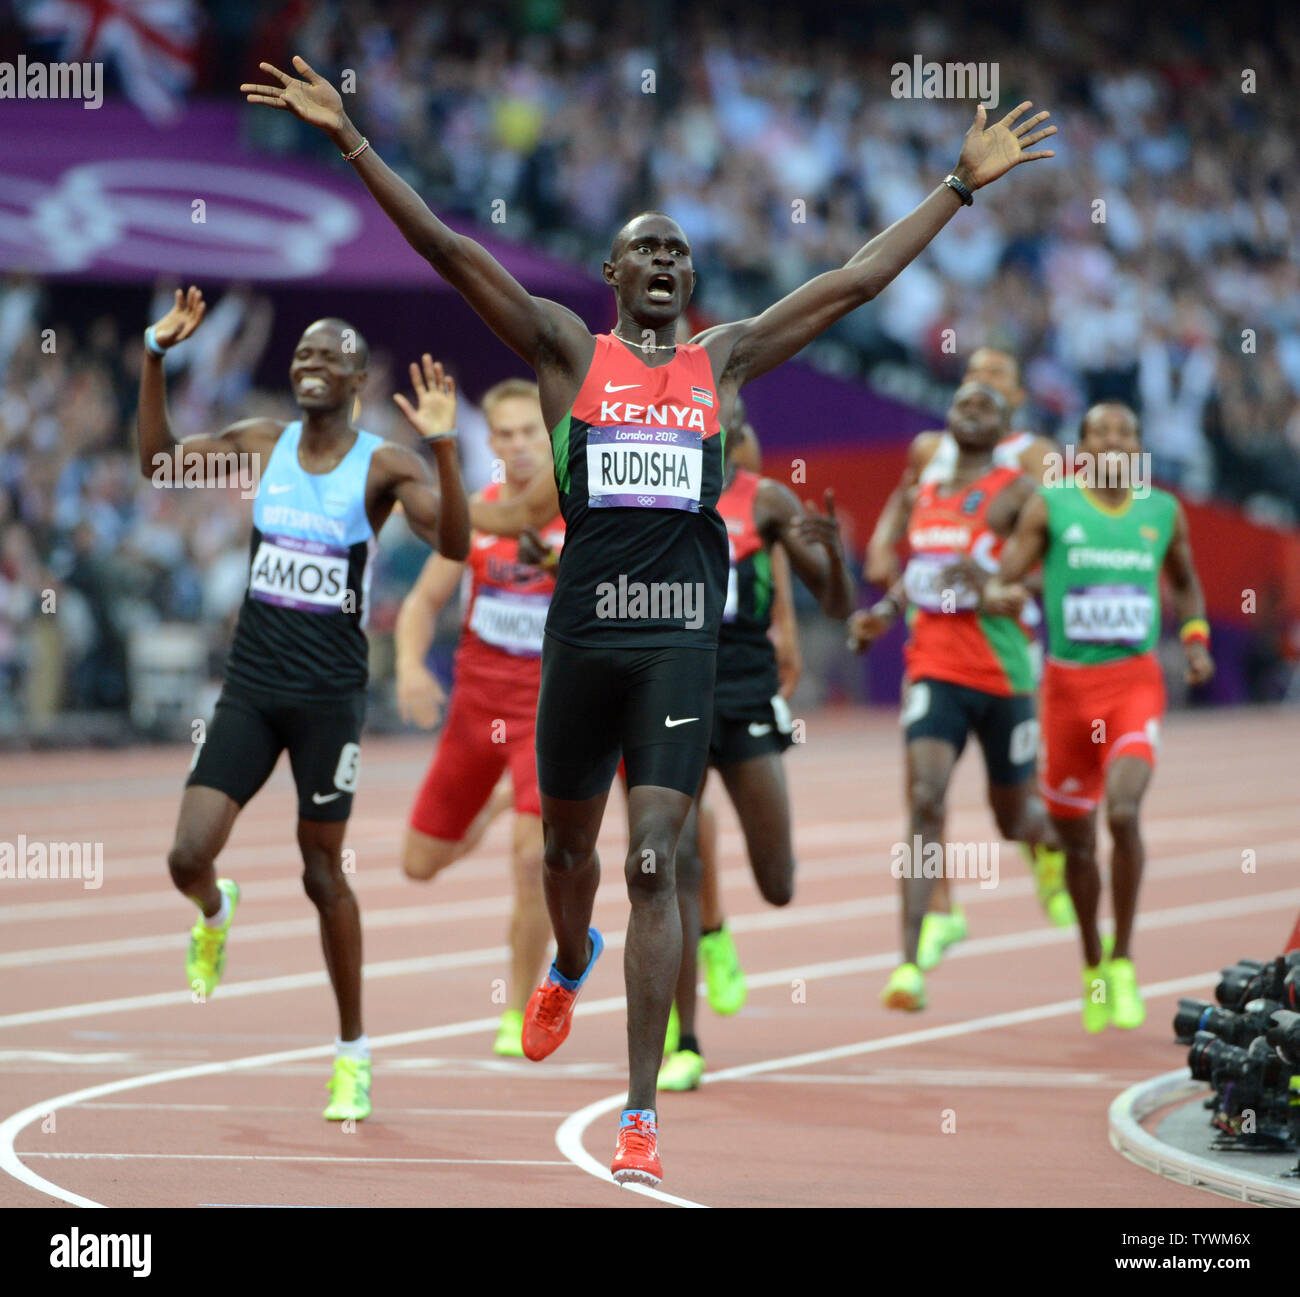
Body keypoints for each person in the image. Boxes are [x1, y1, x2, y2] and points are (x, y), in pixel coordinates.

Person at [243, 54, 1056, 1184]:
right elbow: (445, 247)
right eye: (648, 249)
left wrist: (957, 189)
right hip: (580, 645)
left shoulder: (724, 364)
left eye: (681, 250)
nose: (667, 262)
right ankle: (566, 961)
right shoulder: (569, 351)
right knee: (571, 859)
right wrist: (350, 139)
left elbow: (851, 282)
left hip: (679, 642)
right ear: (615, 272)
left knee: (651, 863)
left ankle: (639, 1113)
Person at [138, 296, 469, 1122]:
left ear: (356, 380)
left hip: (328, 700)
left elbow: (458, 542)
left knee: (323, 873)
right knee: (186, 854)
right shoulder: (262, 443)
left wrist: (444, 447)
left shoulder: (386, 467)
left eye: (332, 355)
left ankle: (352, 1051)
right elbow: (159, 465)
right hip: (252, 687)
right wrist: (153, 354)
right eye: (303, 354)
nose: (312, 363)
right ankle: (216, 911)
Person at [985, 401, 1213, 1032]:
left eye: (1126, 432)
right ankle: (1091, 962)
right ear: (1080, 447)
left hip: (1134, 686)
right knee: (1076, 841)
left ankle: (1122, 959)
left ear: (1140, 444)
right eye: (1101, 432)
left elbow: (1186, 582)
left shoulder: (1161, 510)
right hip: (1065, 692)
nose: (1115, 440)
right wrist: (1003, 593)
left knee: (1122, 810)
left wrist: (1194, 639)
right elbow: (1005, 577)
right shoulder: (1051, 505)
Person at [848, 383, 1062, 1011]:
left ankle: (1058, 848)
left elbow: (1035, 585)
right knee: (924, 799)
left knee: (1015, 817)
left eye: (986, 404)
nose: (970, 407)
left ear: (1005, 428)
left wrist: (996, 586)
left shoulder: (1020, 494)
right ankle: (908, 965)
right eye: (962, 400)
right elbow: (917, 578)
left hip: (1002, 674)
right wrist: (881, 615)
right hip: (935, 668)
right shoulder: (922, 494)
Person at [659, 402, 854, 1090]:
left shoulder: (764, 499)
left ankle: (715, 931)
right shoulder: (649, 483)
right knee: (671, 861)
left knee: (778, 883)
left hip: (744, 692)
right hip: (669, 688)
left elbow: (836, 602)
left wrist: (831, 552)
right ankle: (684, 1041)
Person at [394, 377, 564, 1057]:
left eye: (533, 432)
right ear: (490, 443)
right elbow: (419, 603)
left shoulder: (579, 516)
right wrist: (408, 665)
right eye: (508, 435)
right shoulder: (479, 518)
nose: (521, 446)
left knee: (532, 864)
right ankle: (497, 803)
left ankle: (517, 1007)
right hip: (474, 710)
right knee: (418, 864)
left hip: (549, 717)